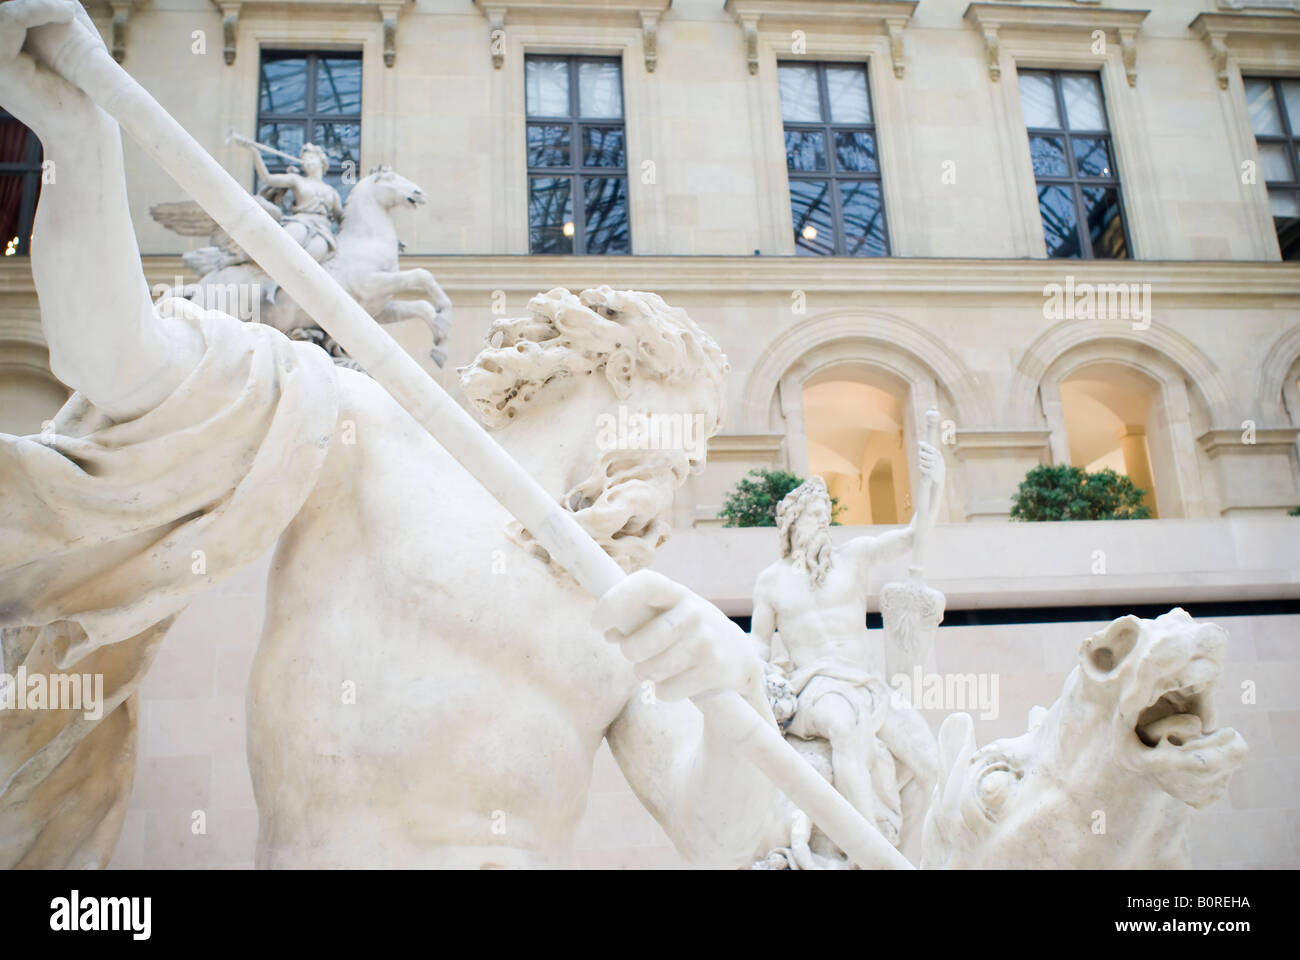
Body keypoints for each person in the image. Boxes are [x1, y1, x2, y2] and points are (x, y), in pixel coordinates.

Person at [0, 0, 780, 868]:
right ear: (624, 375)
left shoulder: (625, 611)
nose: (681, 471)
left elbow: (722, 838)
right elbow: (115, 361)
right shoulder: (358, 433)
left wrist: (729, 684)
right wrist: (80, 139)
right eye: (683, 436)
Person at [750, 468, 942, 860]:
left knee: (930, 764)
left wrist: (935, 483)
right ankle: (866, 845)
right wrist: (764, 676)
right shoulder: (771, 582)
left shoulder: (854, 556)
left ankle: (904, 855)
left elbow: (912, 537)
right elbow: (758, 646)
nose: (824, 519)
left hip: (868, 687)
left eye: (826, 512)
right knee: (843, 725)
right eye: (814, 513)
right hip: (814, 686)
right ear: (792, 523)